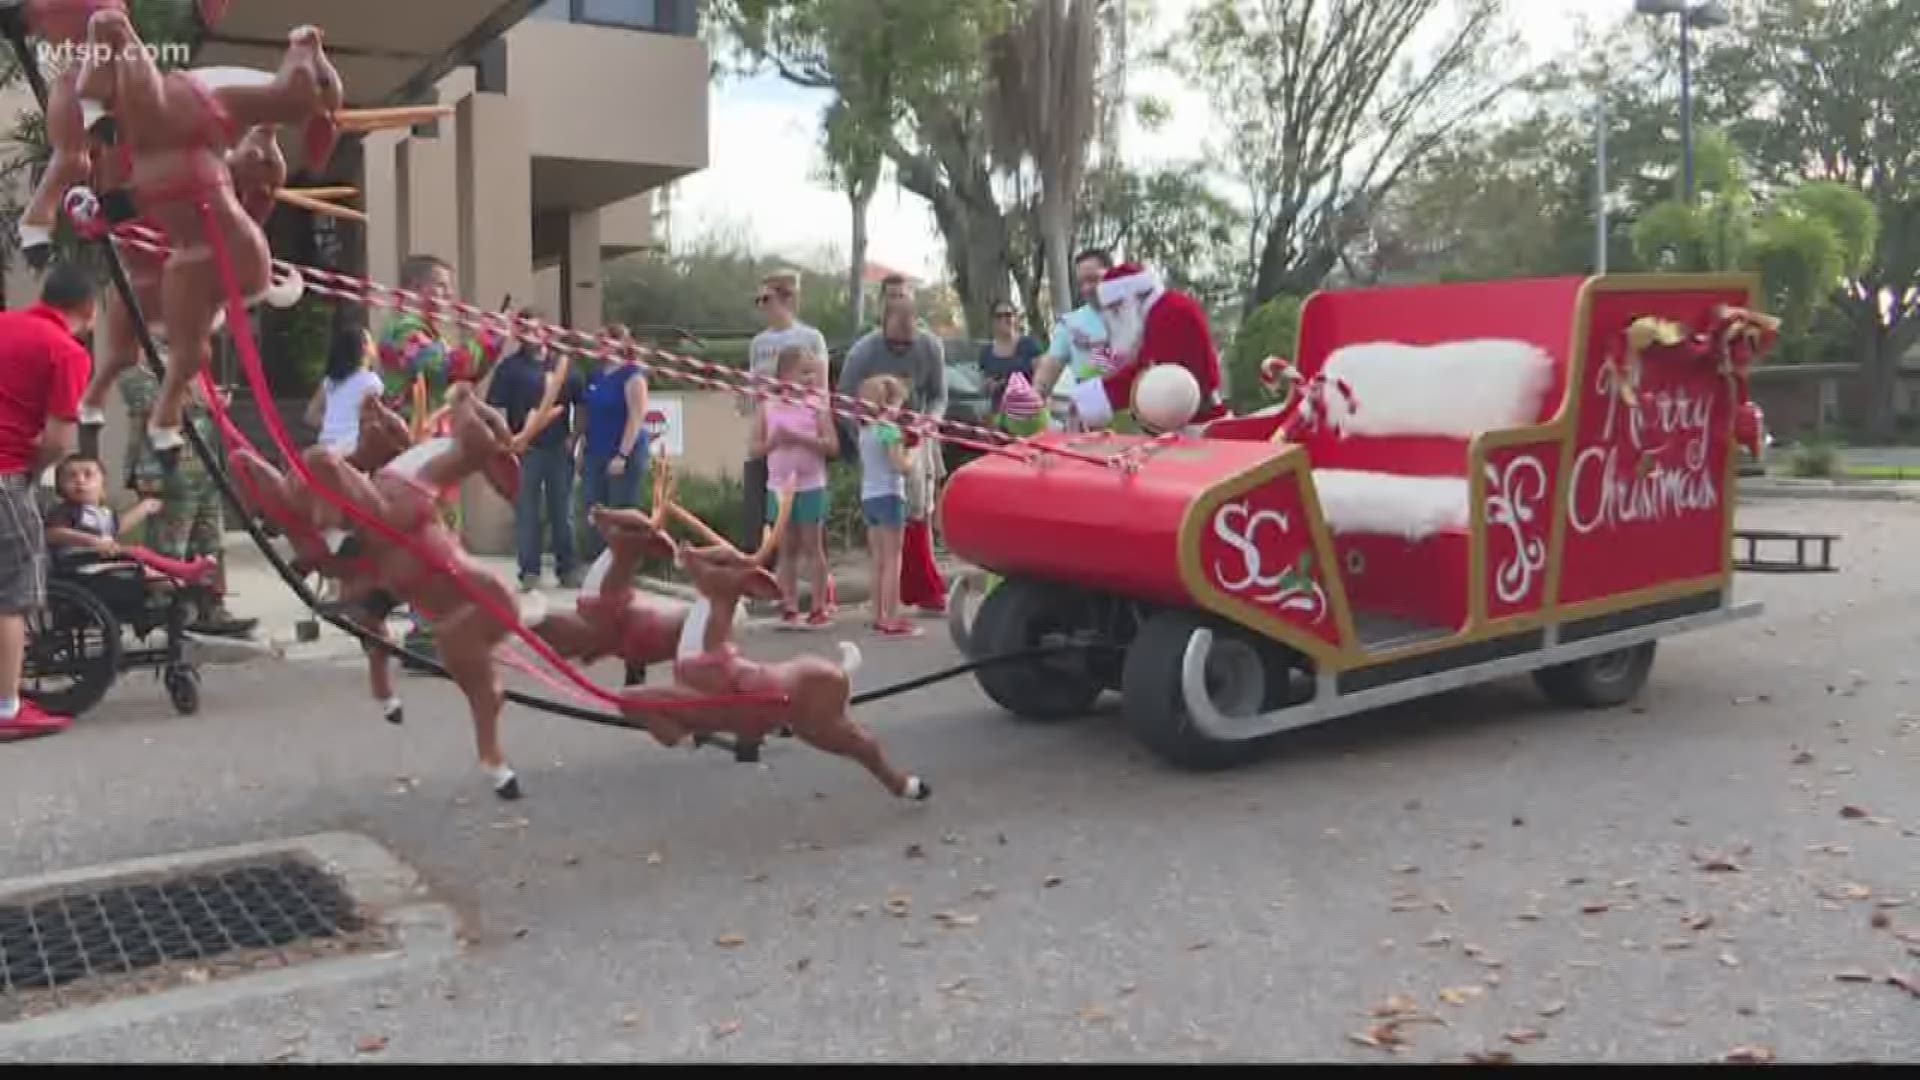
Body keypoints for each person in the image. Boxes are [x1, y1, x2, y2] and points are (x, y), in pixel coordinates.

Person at [372, 254, 504, 661]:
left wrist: (490, 345)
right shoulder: (406, 330)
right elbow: (446, 368)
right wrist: (487, 339)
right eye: (440, 287)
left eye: (450, 287)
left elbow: (464, 375)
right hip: (416, 453)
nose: (448, 295)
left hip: (433, 452)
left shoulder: (427, 331)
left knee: (440, 536)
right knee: (427, 538)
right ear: (415, 289)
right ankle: (426, 629)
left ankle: (432, 622)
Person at [0, 263, 94, 741]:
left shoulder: (4, 323)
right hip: (3, 473)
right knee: (12, 594)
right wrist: (32, 471)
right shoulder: (66, 351)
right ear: (89, 310)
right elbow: (60, 440)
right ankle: (7, 706)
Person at [120, 362, 256, 637]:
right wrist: (200, 398)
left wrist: (210, 399)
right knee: (172, 543)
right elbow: (154, 406)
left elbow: (193, 398)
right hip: (165, 468)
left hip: (204, 464)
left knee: (210, 539)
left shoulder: (192, 365)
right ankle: (168, 610)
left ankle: (210, 605)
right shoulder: (136, 368)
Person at [837, 282, 948, 616]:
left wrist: (928, 424)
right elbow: (844, 403)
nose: (901, 349)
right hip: (884, 437)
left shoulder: (931, 346)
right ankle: (890, 607)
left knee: (921, 510)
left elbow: (940, 395)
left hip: (917, 430)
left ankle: (916, 591)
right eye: (894, 344)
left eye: (908, 342)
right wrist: (868, 439)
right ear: (883, 324)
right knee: (895, 532)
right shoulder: (863, 352)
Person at [1063, 261, 1227, 433]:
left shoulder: (1171, 314)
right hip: (1187, 423)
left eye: (1116, 309)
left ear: (1133, 298)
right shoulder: (1160, 311)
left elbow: (1147, 379)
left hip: (1200, 426)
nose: (1113, 319)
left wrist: (1088, 400)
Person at [487, 307, 583, 591]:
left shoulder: (564, 366)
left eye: (535, 327)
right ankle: (529, 571)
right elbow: (496, 409)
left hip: (558, 448)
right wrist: (508, 442)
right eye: (524, 329)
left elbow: (581, 404)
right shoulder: (509, 368)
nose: (530, 334)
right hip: (525, 450)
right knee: (527, 511)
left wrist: (574, 438)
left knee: (562, 512)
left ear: (545, 331)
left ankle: (567, 569)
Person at [739, 270, 827, 553]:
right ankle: (764, 576)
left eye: (767, 298)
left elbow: (822, 387)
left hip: (801, 434)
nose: (762, 306)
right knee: (762, 513)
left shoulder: (810, 337)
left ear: (785, 298)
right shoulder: (758, 343)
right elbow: (753, 384)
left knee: (808, 523)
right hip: (768, 431)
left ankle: (816, 585)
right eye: (758, 300)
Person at [752, 346, 837, 628]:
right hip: (779, 486)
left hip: (811, 484)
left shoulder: (818, 405)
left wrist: (801, 438)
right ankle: (788, 603)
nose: (811, 378)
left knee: (813, 546)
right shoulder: (768, 405)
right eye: (804, 372)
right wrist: (774, 443)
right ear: (785, 375)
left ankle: (818, 605)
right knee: (786, 547)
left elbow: (831, 445)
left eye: (813, 372)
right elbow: (755, 448)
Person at [44, 455, 218, 587]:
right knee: (137, 552)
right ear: (60, 488)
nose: (80, 481)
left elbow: (118, 527)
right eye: (71, 477)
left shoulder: (103, 513)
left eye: (88, 475)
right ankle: (183, 572)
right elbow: (52, 533)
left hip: (100, 561)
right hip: (77, 564)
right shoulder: (65, 511)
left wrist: (144, 508)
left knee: (135, 556)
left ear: (103, 487)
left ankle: (169, 576)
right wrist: (92, 541)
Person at [578, 323, 651, 562]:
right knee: (593, 509)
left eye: (604, 341)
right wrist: (581, 447)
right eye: (597, 341)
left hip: (621, 453)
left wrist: (622, 455)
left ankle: (621, 566)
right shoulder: (596, 374)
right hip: (594, 451)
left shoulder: (632, 375)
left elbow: (636, 417)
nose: (599, 346)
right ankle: (596, 563)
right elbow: (588, 414)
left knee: (619, 513)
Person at [856, 375, 920, 638]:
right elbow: (900, 467)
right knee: (894, 559)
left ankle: (877, 613)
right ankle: (892, 617)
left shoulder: (865, 431)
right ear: (889, 403)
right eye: (899, 404)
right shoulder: (889, 431)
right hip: (890, 495)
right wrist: (914, 452)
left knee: (878, 560)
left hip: (869, 496)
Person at [1033, 248, 1114, 409]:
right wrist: (1034, 397)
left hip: (1140, 421)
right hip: (1090, 420)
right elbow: (1051, 365)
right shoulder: (1070, 323)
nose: (1086, 289)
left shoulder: (1140, 314)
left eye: (1093, 279)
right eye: (1082, 282)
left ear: (1113, 275)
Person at [305, 319, 384, 455]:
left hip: (325, 445)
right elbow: (371, 420)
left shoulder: (330, 381)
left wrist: (334, 424)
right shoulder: (371, 382)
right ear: (364, 347)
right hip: (352, 448)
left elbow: (310, 416)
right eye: (371, 342)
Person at [978, 301, 1042, 413]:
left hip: (1029, 413)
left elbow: (1042, 380)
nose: (1004, 319)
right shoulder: (986, 352)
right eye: (999, 316)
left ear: (1015, 318)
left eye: (1008, 315)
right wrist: (990, 385)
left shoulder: (1029, 345)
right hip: (1000, 414)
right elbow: (984, 386)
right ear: (993, 321)